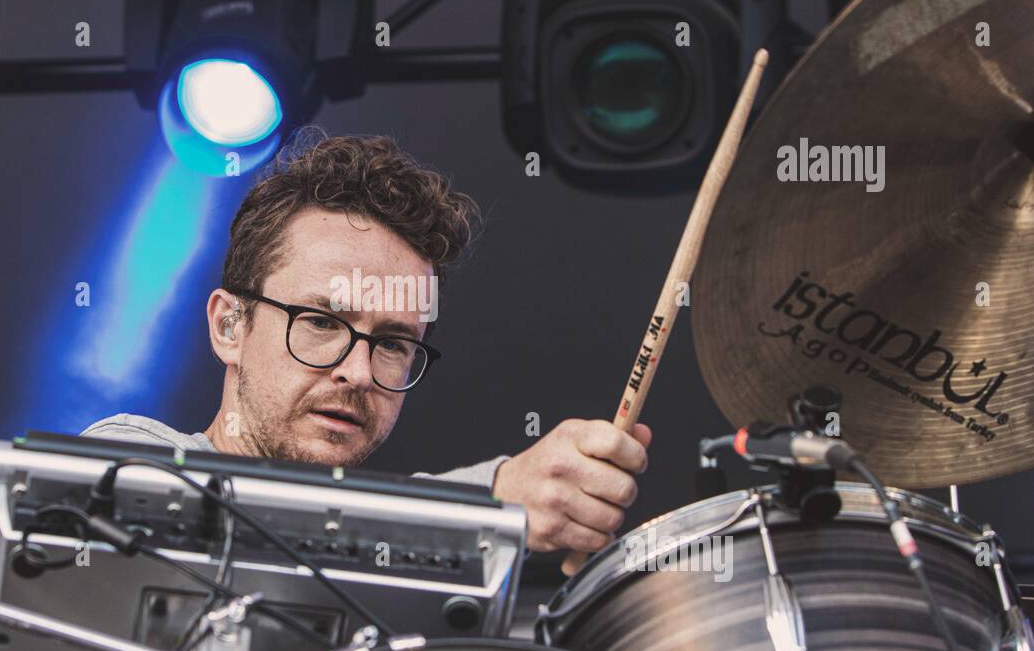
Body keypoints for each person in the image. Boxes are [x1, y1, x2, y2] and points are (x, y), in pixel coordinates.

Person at [83, 129, 650, 574]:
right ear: (230, 325)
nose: (358, 372)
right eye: (322, 322)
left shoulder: (418, 591)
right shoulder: (123, 458)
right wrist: (493, 502)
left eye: (392, 343)